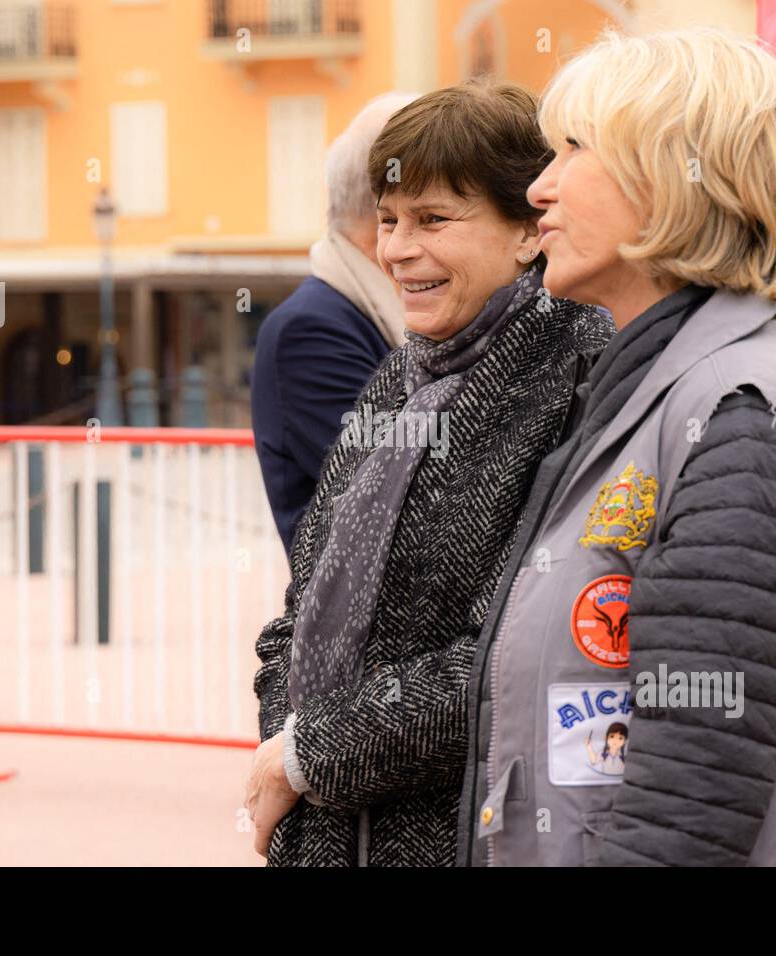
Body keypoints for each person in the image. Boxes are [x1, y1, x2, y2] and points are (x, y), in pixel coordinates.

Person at [458, 28, 776, 867]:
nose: (539, 188)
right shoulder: (656, 389)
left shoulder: (740, 415)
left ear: (672, 177)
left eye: (572, 150)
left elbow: (690, 807)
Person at [244, 81, 614, 866]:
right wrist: (286, 735)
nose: (397, 249)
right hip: (334, 832)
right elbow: (301, 604)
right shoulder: (404, 374)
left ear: (526, 230)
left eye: (433, 220)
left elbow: (527, 651)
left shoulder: (582, 374)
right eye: (387, 221)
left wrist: (311, 754)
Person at [251, 92, 417, 554]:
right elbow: (400, 499)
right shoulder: (308, 332)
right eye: (437, 213)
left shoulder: (355, 313)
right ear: (388, 219)